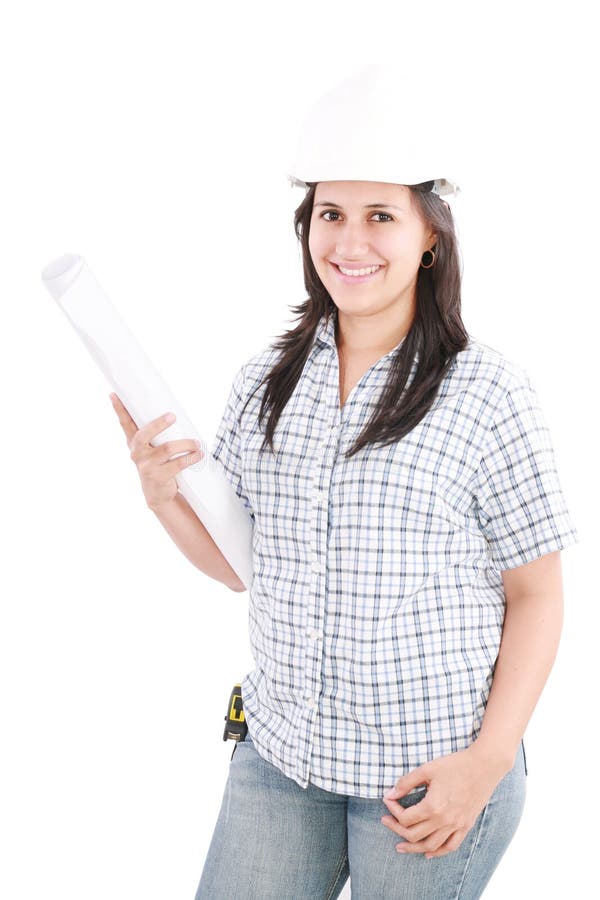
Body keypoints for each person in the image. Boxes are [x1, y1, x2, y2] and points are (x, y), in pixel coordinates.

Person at [112, 68, 579, 899]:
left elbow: (538, 594)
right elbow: (252, 565)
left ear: (429, 234)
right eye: (330, 214)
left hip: (430, 773)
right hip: (282, 754)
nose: (350, 243)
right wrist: (162, 498)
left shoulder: (488, 392)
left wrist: (488, 761)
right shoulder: (265, 382)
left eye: (380, 217)